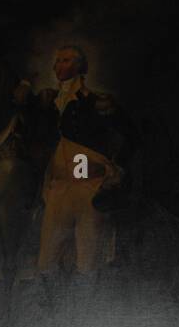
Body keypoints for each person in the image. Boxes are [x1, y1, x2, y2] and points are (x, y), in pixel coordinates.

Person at [33, 45, 136, 282]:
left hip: (90, 187)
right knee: (47, 261)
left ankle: (83, 311)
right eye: (57, 60)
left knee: (87, 261)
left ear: (81, 67)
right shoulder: (47, 101)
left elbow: (130, 136)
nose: (59, 65)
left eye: (66, 60)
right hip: (58, 188)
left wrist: (116, 170)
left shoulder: (96, 101)